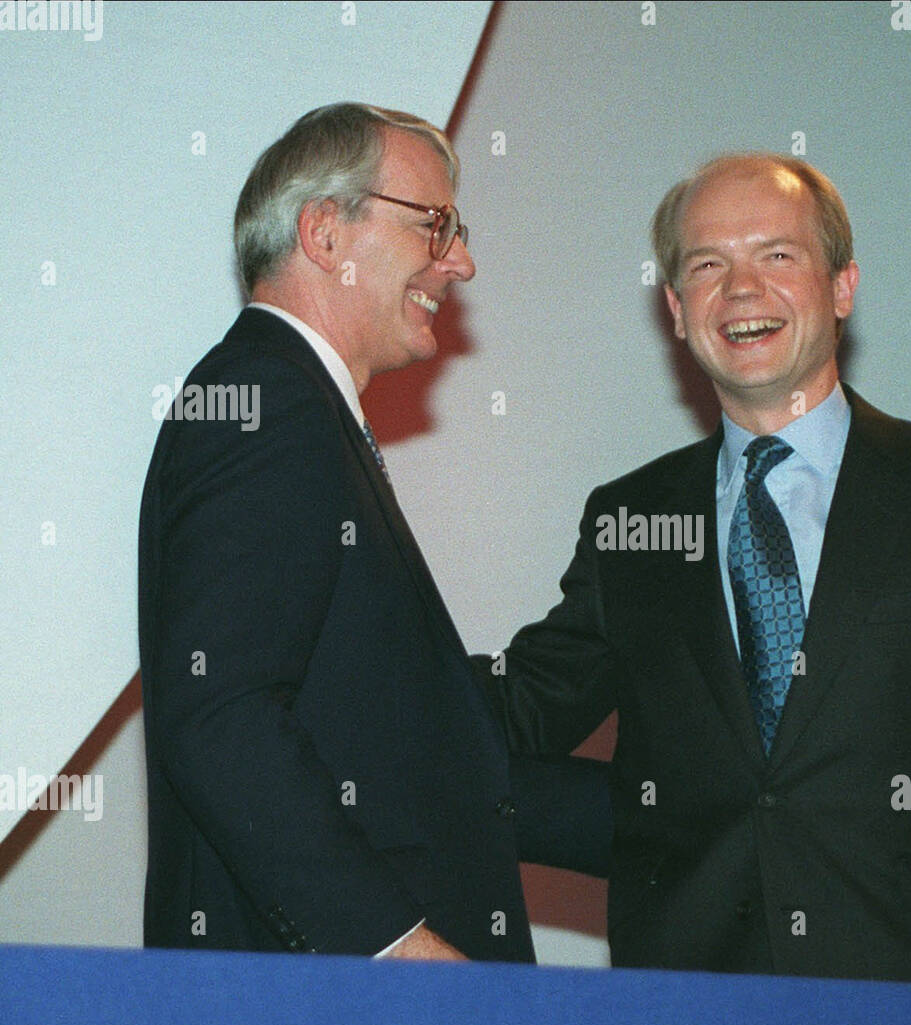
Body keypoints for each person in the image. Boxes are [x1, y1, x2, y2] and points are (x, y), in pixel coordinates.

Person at [477, 153, 911, 992]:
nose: (742, 288)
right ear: (678, 311)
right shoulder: (629, 520)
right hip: (690, 1017)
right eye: (707, 265)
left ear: (842, 288)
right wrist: (331, 687)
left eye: (777, 255)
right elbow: (519, 708)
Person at [138, 102, 605, 961]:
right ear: (324, 233)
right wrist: (396, 948)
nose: (459, 262)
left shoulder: (290, 404)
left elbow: (401, 744)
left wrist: (680, 818)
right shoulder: (270, 408)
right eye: (435, 225)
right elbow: (221, 716)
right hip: (318, 1016)